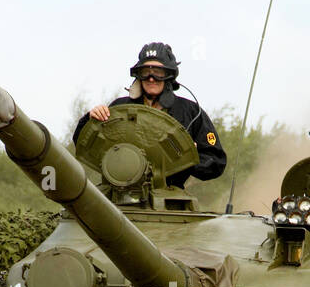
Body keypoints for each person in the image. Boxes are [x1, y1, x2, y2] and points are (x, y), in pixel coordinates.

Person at [74, 42, 227, 188]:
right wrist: (91, 119)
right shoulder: (120, 108)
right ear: (138, 75)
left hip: (169, 199)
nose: (151, 78)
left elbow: (216, 163)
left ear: (168, 75)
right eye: (146, 72)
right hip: (116, 196)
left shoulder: (190, 112)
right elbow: (83, 142)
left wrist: (192, 157)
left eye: (158, 72)